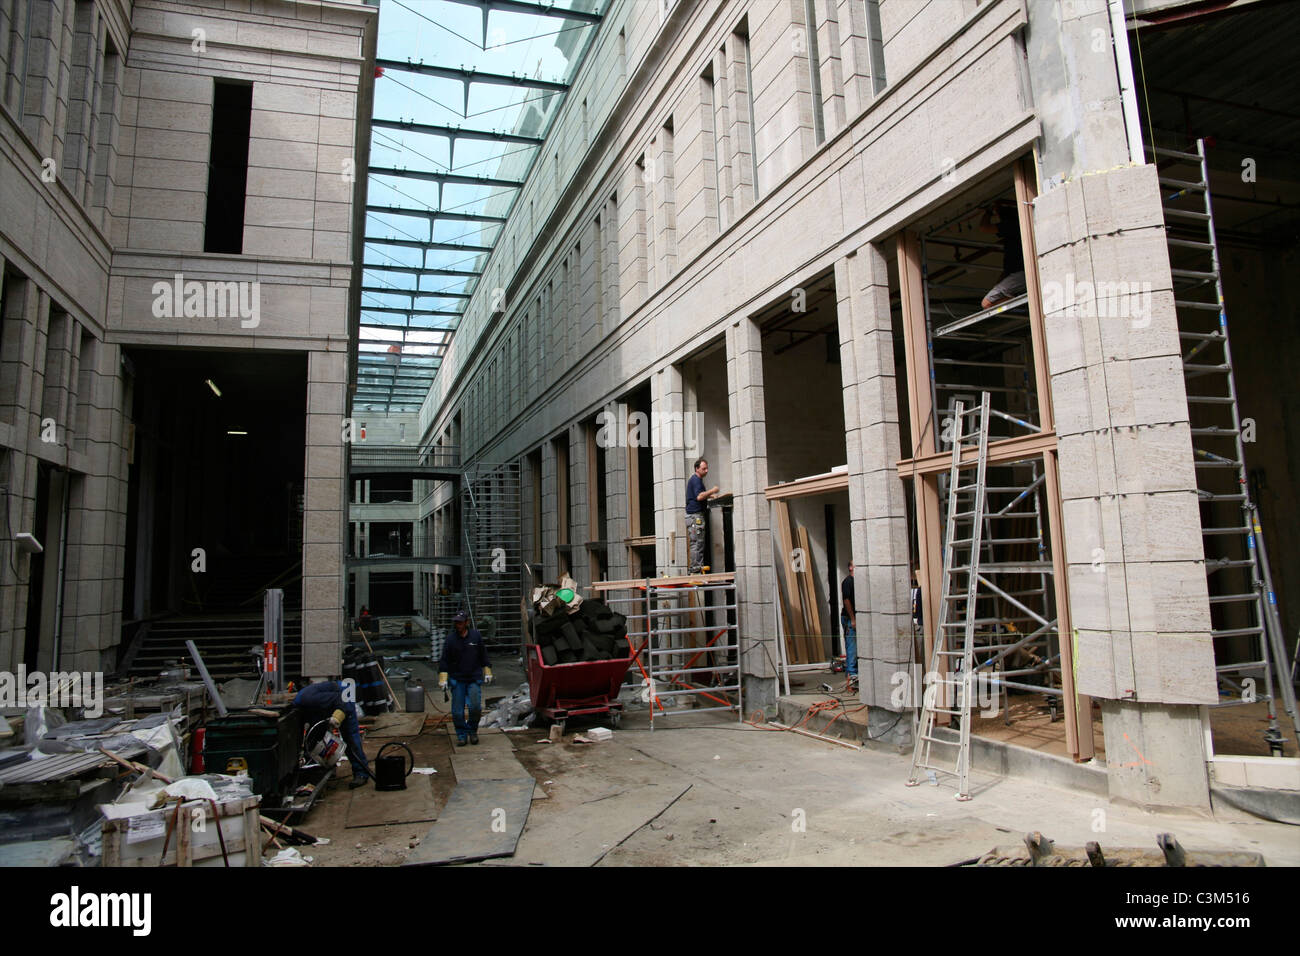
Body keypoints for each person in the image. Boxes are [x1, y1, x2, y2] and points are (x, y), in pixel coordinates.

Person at [293, 680, 373, 789]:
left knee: (350, 738)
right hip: (329, 702)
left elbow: (339, 699)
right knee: (316, 737)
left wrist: (336, 718)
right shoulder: (302, 707)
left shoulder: (308, 700)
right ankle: (324, 768)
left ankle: (361, 773)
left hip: (343, 697)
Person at [438, 611, 494, 746]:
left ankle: (472, 731)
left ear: (467, 622)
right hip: (457, 679)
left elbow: (483, 654)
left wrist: (487, 670)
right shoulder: (450, 639)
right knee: (457, 711)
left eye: (461, 622)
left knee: (475, 707)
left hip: (473, 678)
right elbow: (444, 659)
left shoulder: (476, 636)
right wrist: (443, 677)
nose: (458, 625)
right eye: (456, 622)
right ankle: (461, 735)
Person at [979, 199, 1026, 309]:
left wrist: (988, 211)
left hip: (1019, 274)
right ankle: (1022, 296)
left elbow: (984, 228)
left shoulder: (1011, 225)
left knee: (986, 303)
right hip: (1020, 273)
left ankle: (1022, 297)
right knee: (992, 297)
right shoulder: (1018, 226)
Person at [685, 458, 720, 573]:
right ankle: (696, 568)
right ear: (697, 468)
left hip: (693, 516)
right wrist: (712, 491)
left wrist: (710, 496)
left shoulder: (696, 480)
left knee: (696, 542)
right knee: (697, 543)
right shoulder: (696, 480)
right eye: (704, 468)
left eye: (707, 468)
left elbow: (698, 495)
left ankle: (696, 567)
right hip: (695, 516)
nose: (706, 471)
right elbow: (699, 496)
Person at [841, 562, 858, 690]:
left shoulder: (858, 582)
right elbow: (846, 600)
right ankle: (852, 676)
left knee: (854, 646)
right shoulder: (848, 582)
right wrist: (852, 619)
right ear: (850, 567)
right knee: (852, 646)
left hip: (854, 617)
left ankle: (852, 674)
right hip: (848, 618)